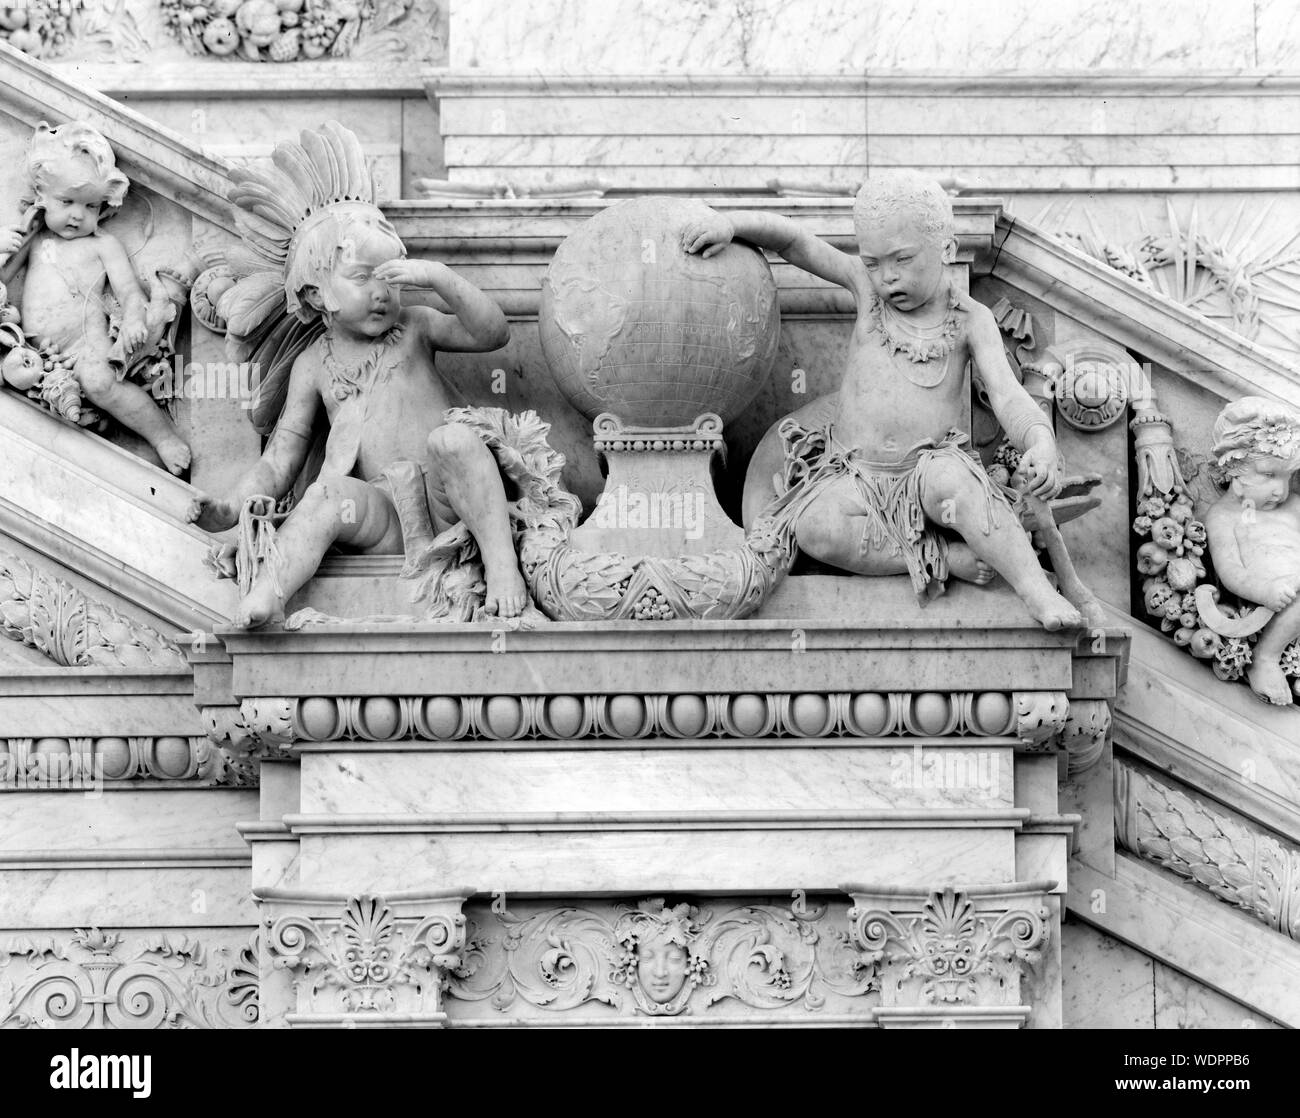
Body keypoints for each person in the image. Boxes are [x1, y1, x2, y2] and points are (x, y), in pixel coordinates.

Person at [681, 171, 1082, 629]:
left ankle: (1035, 588)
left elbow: (1009, 397)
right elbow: (796, 242)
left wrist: (1041, 443)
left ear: (947, 251)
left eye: (903, 260)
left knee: (959, 485)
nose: (888, 277)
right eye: (873, 262)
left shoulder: (972, 320)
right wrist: (732, 225)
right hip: (855, 476)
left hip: (929, 470)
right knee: (816, 527)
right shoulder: (867, 292)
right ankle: (941, 558)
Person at [186, 199, 525, 627]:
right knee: (325, 497)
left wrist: (437, 277)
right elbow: (279, 459)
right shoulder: (312, 365)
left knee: (454, 439)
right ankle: (269, 592)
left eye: (391, 279)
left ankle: (501, 566)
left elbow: (492, 333)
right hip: (384, 510)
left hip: (452, 496)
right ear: (315, 293)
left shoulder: (415, 327)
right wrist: (231, 508)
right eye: (362, 277)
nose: (382, 292)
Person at [0, 122, 190, 474]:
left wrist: (134, 319)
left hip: (85, 345)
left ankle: (163, 437)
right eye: (66, 201)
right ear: (42, 195)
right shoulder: (38, 240)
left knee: (101, 382)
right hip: (35, 353)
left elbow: (130, 293)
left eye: (90, 206)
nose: (77, 214)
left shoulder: (104, 245)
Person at [1204, 397, 1300, 705]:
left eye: (1289, 477)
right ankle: (1266, 658)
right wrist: (1265, 589)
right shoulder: (1224, 517)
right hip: (1277, 599)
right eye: (1270, 475)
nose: (1281, 490)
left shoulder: (1293, 505)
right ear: (1234, 467)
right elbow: (1231, 571)